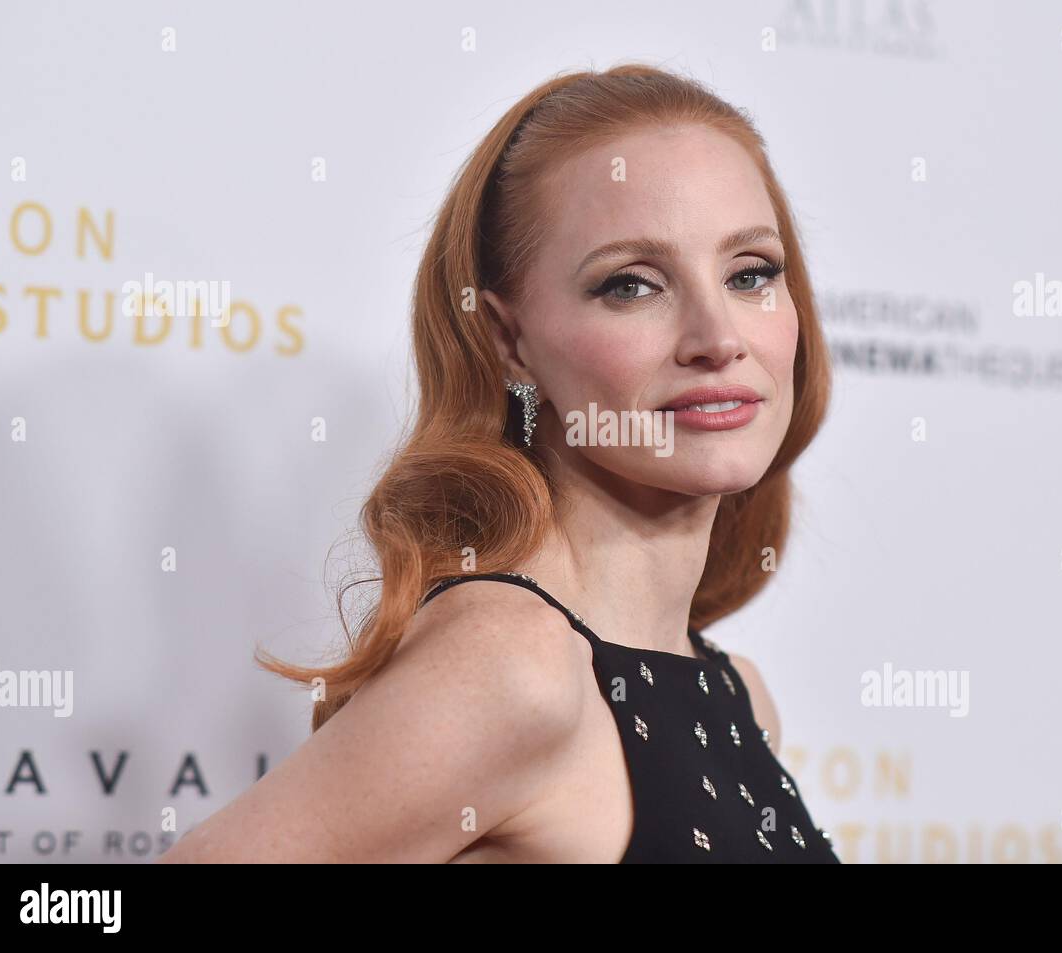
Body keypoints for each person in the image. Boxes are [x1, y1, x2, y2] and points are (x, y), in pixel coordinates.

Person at [159, 62, 837, 863]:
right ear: (508, 341)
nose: (719, 338)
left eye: (750, 273)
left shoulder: (741, 696)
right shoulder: (517, 668)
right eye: (632, 285)